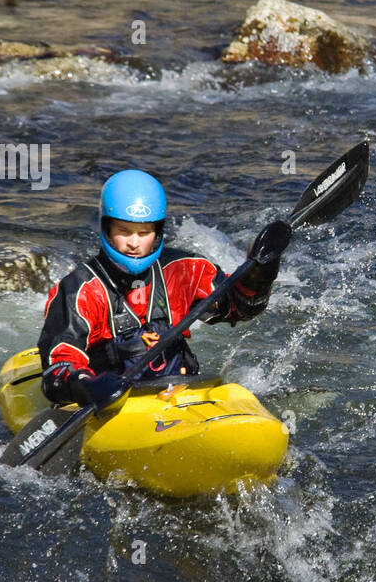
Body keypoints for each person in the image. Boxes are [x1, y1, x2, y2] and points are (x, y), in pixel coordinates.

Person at [37, 169, 291, 409]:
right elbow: (59, 368)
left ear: (157, 232)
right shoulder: (79, 290)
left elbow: (239, 308)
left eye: (144, 232)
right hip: (114, 404)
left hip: (180, 394)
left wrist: (260, 275)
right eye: (124, 231)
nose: (134, 243)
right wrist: (85, 386)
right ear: (106, 228)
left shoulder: (185, 270)